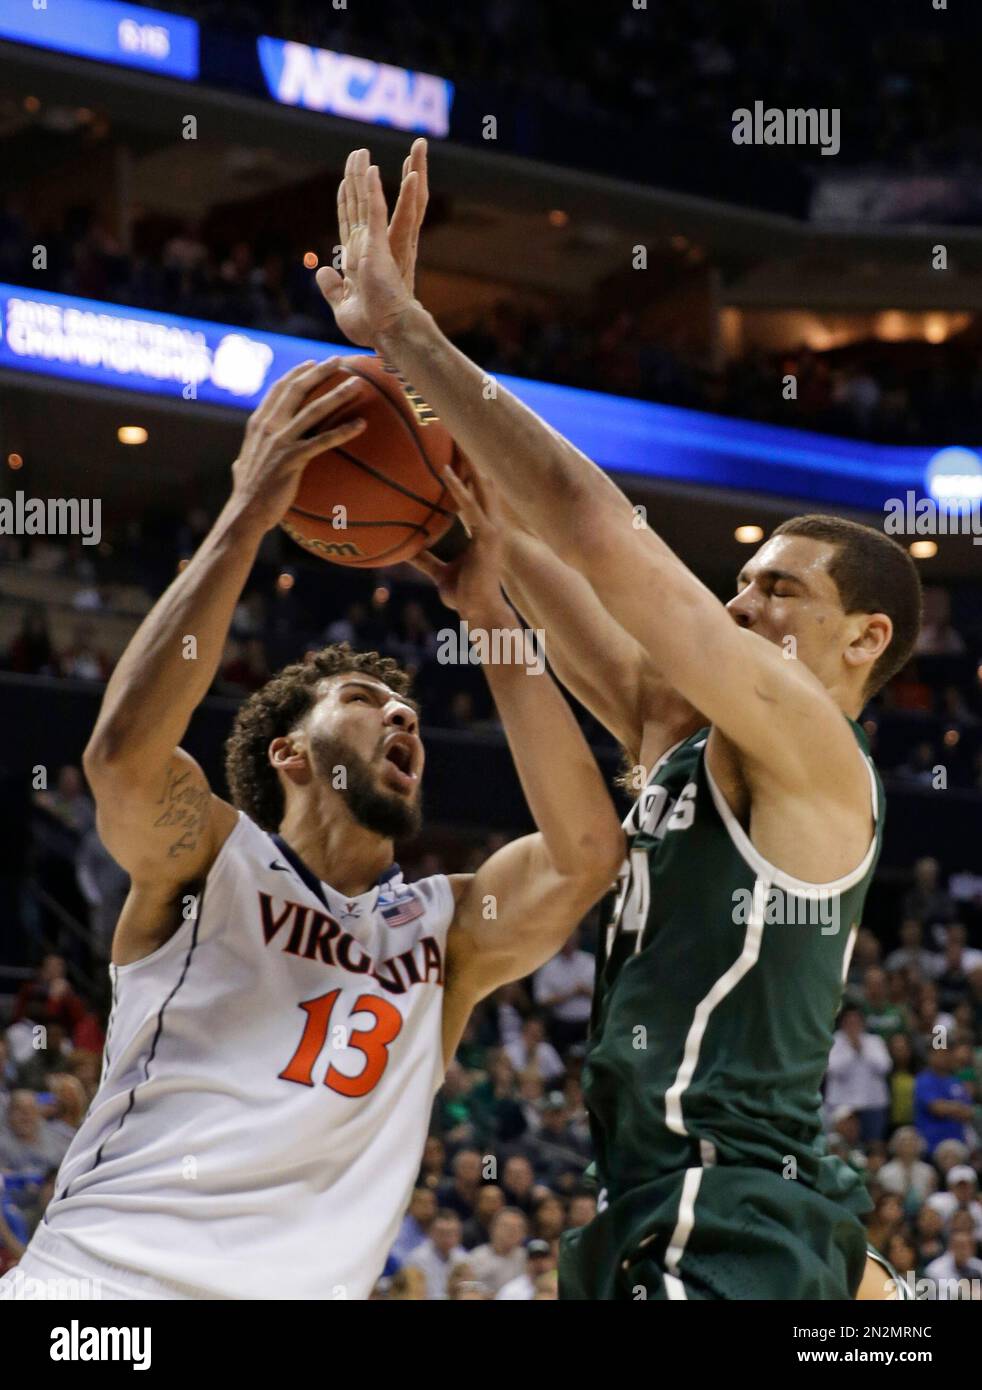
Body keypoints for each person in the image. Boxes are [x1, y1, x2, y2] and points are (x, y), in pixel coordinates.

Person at [0, 166, 623, 1301]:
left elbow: (587, 855)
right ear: (285, 748)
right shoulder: (206, 859)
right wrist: (249, 508)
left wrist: (488, 616)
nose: (399, 711)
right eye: (361, 699)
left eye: (405, 707)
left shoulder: (446, 934)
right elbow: (122, 758)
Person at [317, 140, 924, 1299]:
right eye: (739, 583)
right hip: (676, 1198)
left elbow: (595, 529)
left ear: (865, 641)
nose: (740, 602)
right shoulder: (684, 735)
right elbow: (567, 599)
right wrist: (470, 548)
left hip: (726, 1203)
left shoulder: (814, 754)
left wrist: (407, 335)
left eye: (778, 591)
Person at [824, 1006, 892, 1143]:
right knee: (840, 1144)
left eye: (856, 1022)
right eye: (849, 1022)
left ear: (863, 1023)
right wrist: (851, 1050)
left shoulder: (874, 1041)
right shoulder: (834, 1041)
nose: (853, 1026)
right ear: (842, 1024)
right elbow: (833, 1069)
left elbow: (884, 1067)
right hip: (841, 1104)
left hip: (872, 1104)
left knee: (872, 1144)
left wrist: (861, 1048)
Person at [533, 934, 595, 1053]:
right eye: (566, 941)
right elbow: (541, 999)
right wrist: (568, 995)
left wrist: (585, 991)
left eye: (572, 940)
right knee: (563, 1058)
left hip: (588, 1022)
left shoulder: (590, 961)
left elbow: (605, 993)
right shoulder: (548, 967)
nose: (569, 944)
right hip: (562, 1023)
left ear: (577, 940)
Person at [914, 1046, 974, 1156]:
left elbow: (968, 1113)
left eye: (946, 1054)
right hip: (932, 1146)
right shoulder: (924, 1080)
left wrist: (949, 1107)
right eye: (939, 1054)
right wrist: (957, 1108)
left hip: (958, 1146)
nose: (943, 1058)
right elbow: (937, 1108)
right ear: (930, 1056)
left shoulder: (955, 1081)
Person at [403, 1210, 467, 1300]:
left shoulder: (463, 1258)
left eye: (452, 1233)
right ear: (431, 1232)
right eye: (442, 1233)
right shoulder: (417, 1258)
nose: (447, 1238)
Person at [466, 1207, 529, 1295]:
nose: (512, 1231)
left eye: (518, 1227)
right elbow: (468, 1288)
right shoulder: (477, 1257)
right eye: (506, 1226)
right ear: (492, 1228)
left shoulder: (527, 1258)